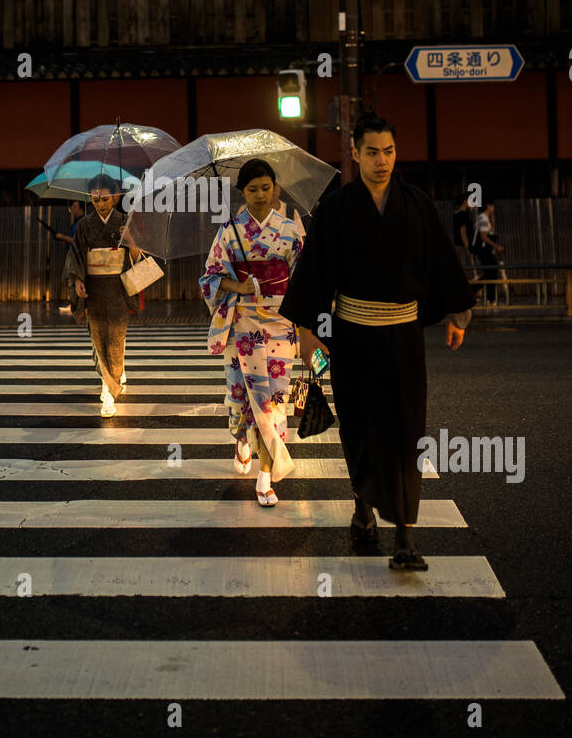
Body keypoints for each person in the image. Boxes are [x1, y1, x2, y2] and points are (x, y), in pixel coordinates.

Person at [280, 113, 474, 570]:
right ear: (354, 152)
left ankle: (405, 535)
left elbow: (442, 263)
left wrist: (457, 313)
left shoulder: (417, 204)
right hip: (352, 335)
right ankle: (363, 504)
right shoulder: (336, 209)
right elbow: (314, 275)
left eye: (389, 151)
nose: (382, 160)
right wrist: (307, 333)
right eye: (372, 152)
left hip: (403, 335)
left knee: (406, 432)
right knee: (361, 426)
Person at [200, 158, 304, 506]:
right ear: (241, 192)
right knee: (242, 400)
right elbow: (210, 279)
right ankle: (242, 439)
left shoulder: (290, 230)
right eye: (252, 189)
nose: (260, 195)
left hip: (280, 325)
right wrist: (238, 285)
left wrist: (305, 327)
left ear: (275, 187)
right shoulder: (228, 232)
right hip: (242, 325)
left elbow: (303, 281)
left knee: (273, 401)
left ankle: (265, 477)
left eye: (266, 187)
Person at [63, 175, 141, 417]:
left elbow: (137, 257)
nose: (101, 204)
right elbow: (75, 255)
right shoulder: (85, 225)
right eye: (95, 200)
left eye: (105, 199)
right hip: (94, 288)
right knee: (98, 338)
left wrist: (129, 240)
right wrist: (77, 280)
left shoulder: (125, 221)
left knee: (116, 340)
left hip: (117, 287)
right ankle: (109, 386)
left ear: (116, 196)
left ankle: (110, 385)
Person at [56, 201, 85, 313]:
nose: (72, 208)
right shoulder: (76, 222)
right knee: (73, 279)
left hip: (79, 256)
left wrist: (63, 237)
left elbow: (78, 241)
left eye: (75, 206)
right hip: (74, 254)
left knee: (75, 278)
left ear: (81, 208)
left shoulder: (82, 222)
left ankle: (75, 305)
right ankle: (75, 304)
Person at [452, 192, 478, 285]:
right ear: (465, 201)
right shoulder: (461, 214)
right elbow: (462, 232)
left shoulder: (464, 213)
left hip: (464, 245)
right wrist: (468, 248)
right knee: (466, 270)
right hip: (462, 246)